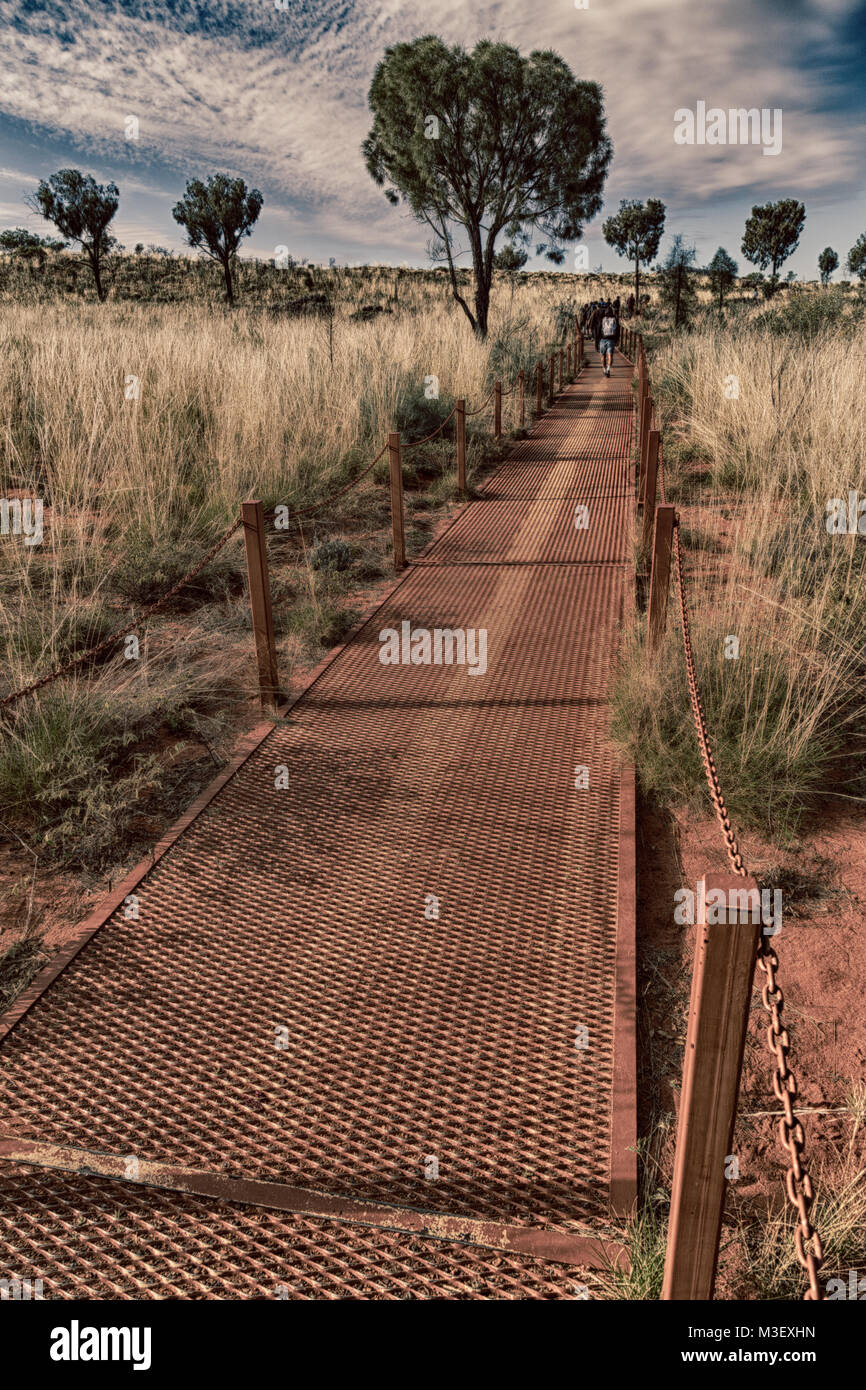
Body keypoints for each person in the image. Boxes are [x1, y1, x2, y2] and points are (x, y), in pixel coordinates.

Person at [599, 303, 619, 377]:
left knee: (602, 356)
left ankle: (604, 369)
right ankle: (608, 368)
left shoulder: (603, 319)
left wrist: (597, 340)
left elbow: (599, 329)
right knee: (610, 355)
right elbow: (617, 330)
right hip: (611, 339)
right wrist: (616, 340)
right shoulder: (614, 319)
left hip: (603, 339)